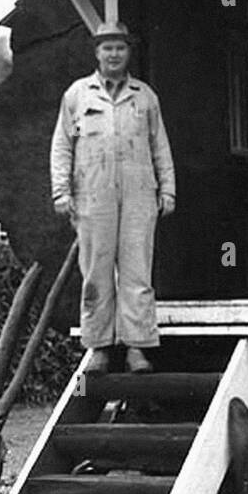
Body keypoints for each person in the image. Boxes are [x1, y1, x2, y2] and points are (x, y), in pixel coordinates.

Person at [50, 21, 175, 373]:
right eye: (107, 48)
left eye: (120, 47)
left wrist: (168, 188)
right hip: (92, 195)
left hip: (139, 194)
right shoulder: (77, 95)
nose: (114, 54)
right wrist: (61, 191)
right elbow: (61, 146)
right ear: (97, 52)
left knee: (137, 272)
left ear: (128, 52)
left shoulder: (145, 96)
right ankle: (100, 347)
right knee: (96, 272)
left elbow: (159, 145)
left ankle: (137, 348)